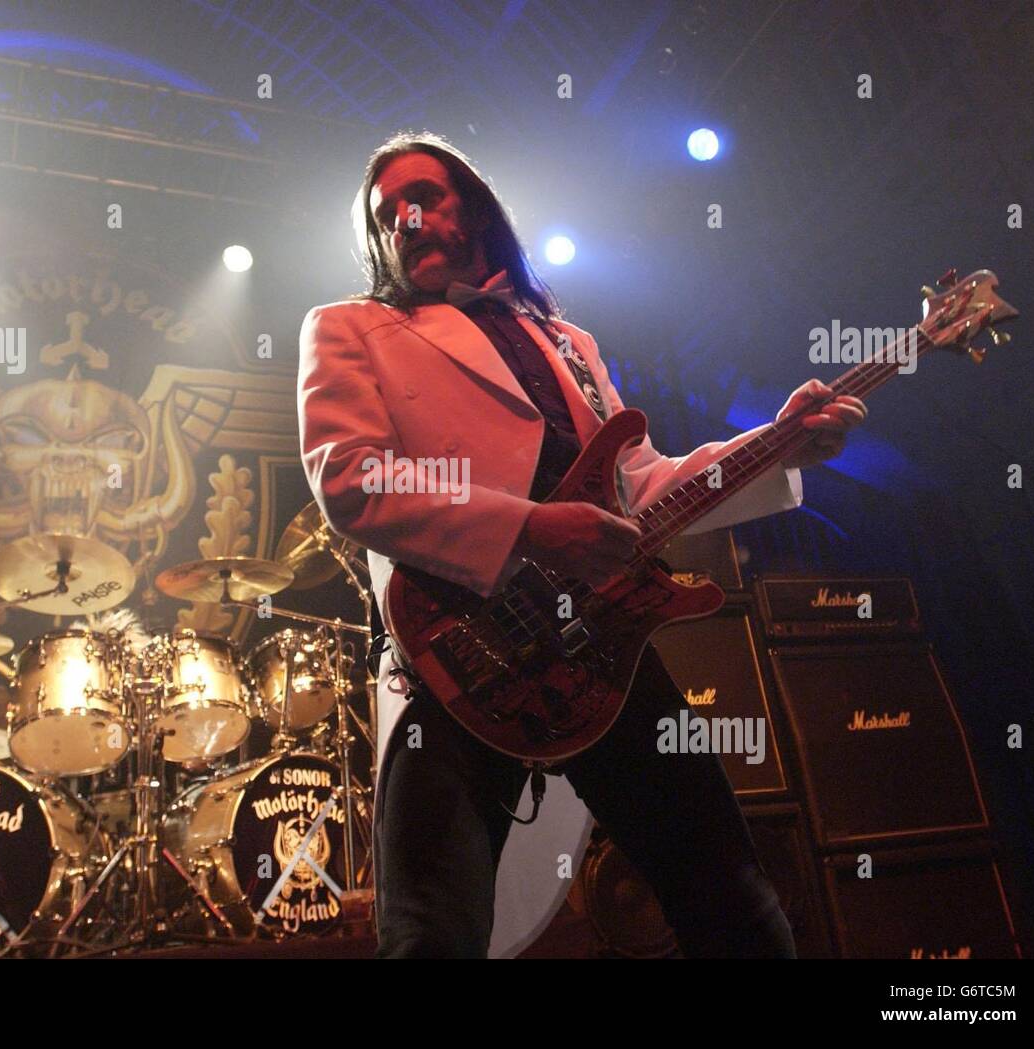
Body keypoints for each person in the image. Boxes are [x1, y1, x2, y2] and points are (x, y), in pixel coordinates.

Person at [297, 132, 866, 958]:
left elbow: (640, 486)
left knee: (736, 902)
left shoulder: (569, 340)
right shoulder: (349, 327)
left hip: (603, 650)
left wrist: (779, 443)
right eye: (388, 213)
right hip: (459, 652)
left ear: (478, 208)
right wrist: (527, 526)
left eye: (426, 196)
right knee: (430, 931)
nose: (406, 219)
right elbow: (351, 478)